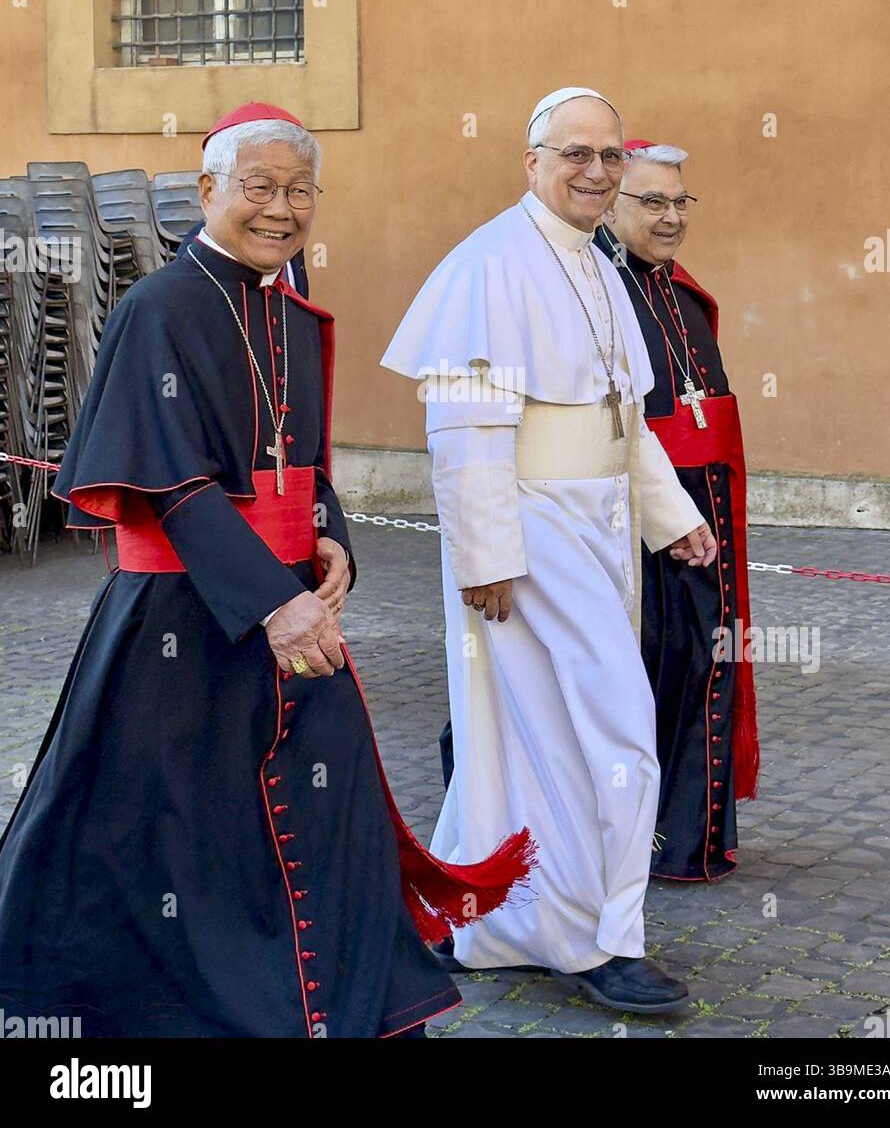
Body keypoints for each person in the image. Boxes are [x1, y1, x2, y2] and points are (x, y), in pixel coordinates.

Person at [0, 101, 534, 1039]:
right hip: (183, 617)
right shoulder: (155, 309)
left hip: (288, 603)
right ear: (209, 191)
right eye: (260, 187)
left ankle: (321, 1002)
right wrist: (273, 607)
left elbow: (303, 463)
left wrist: (329, 539)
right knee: (170, 829)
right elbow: (170, 481)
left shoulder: (285, 310)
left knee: (324, 814)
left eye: (299, 190)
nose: (281, 208)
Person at [381, 88, 718, 1013]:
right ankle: (603, 941)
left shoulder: (595, 261)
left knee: (526, 739)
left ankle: (486, 916)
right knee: (615, 732)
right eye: (576, 154)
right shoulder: (490, 263)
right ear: (530, 159)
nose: (597, 172)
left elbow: (623, 413)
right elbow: (463, 429)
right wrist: (485, 554)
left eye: (610, 157)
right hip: (529, 533)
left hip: (598, 526)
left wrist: (668, 515)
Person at [593, 140, 759, 881]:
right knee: (640, 673)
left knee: (702, 665)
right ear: (610, 203)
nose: (669, 217)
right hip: (635, 520)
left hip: (707, 508)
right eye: (650, 202)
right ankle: (626, 839)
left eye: (677, 202)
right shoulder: (596, 289)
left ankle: (687, 838)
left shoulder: (680, 292)